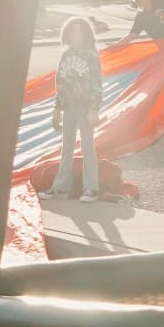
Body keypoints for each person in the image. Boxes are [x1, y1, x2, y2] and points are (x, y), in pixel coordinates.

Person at [51, 16, 103, 200]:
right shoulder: (66, 55)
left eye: (79, 31)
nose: (76, 34)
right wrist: (57, 108)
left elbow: (96, 82)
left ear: (86, 34)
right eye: (72, 31)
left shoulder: (91, 54)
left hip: (85, 106)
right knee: (67, 148)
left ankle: (91, 188)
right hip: (69, 107)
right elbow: (61, 83)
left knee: (88, 147)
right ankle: (62, 187)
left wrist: (94, 109)